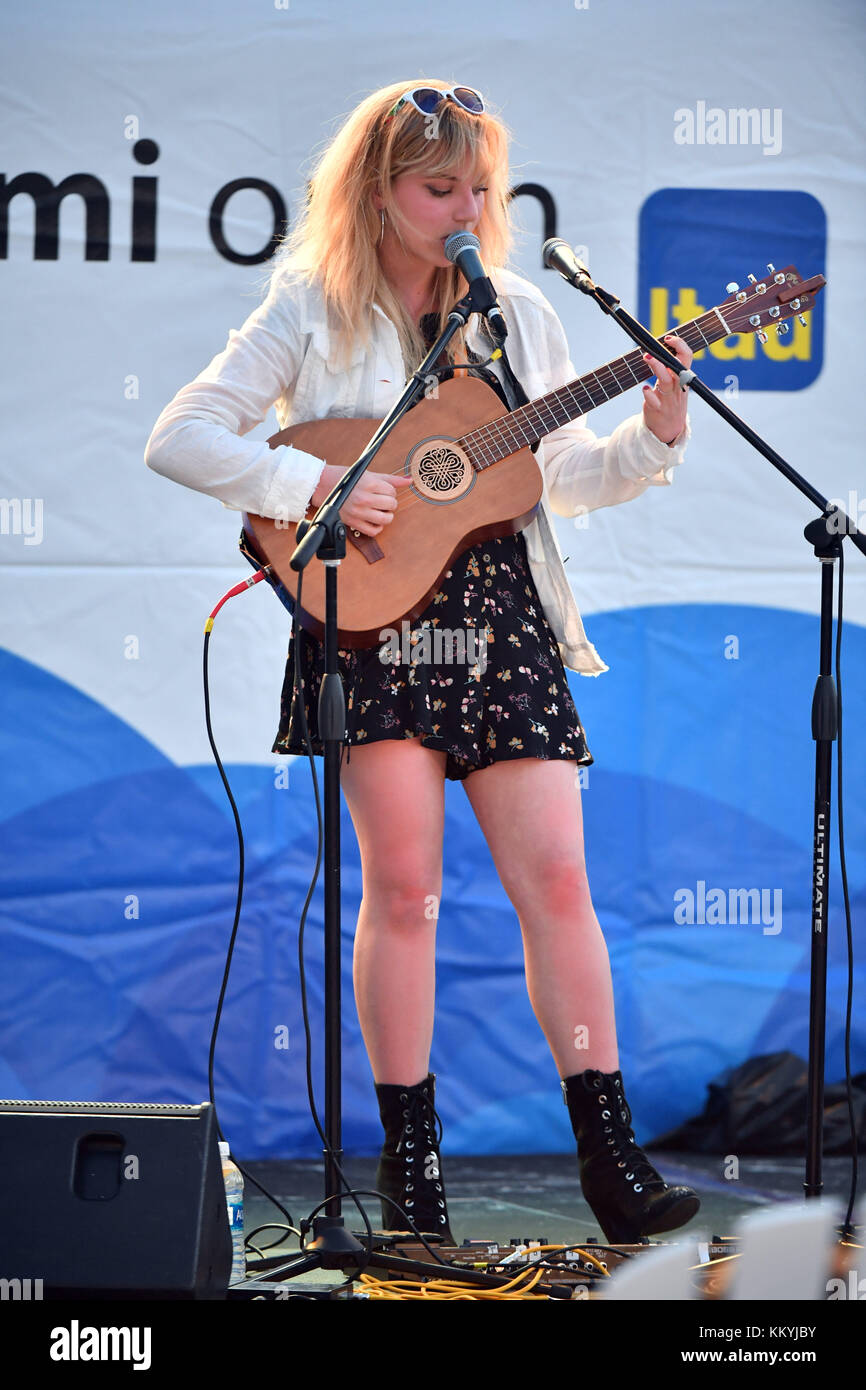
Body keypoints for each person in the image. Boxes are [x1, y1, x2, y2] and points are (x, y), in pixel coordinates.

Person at [145, 78, 700, 1247]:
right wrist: (312, 487)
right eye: (437, 186)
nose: (464, 207)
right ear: (377, 191)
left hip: (502, 615)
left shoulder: (516, 313)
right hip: (373, 616)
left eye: (478, 188)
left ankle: (610, 1156)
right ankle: (411, 1170)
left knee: (556, 881)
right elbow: (181, 435)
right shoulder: (311, 306)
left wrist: (647, 439)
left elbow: (544, 477)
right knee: (405, 890)